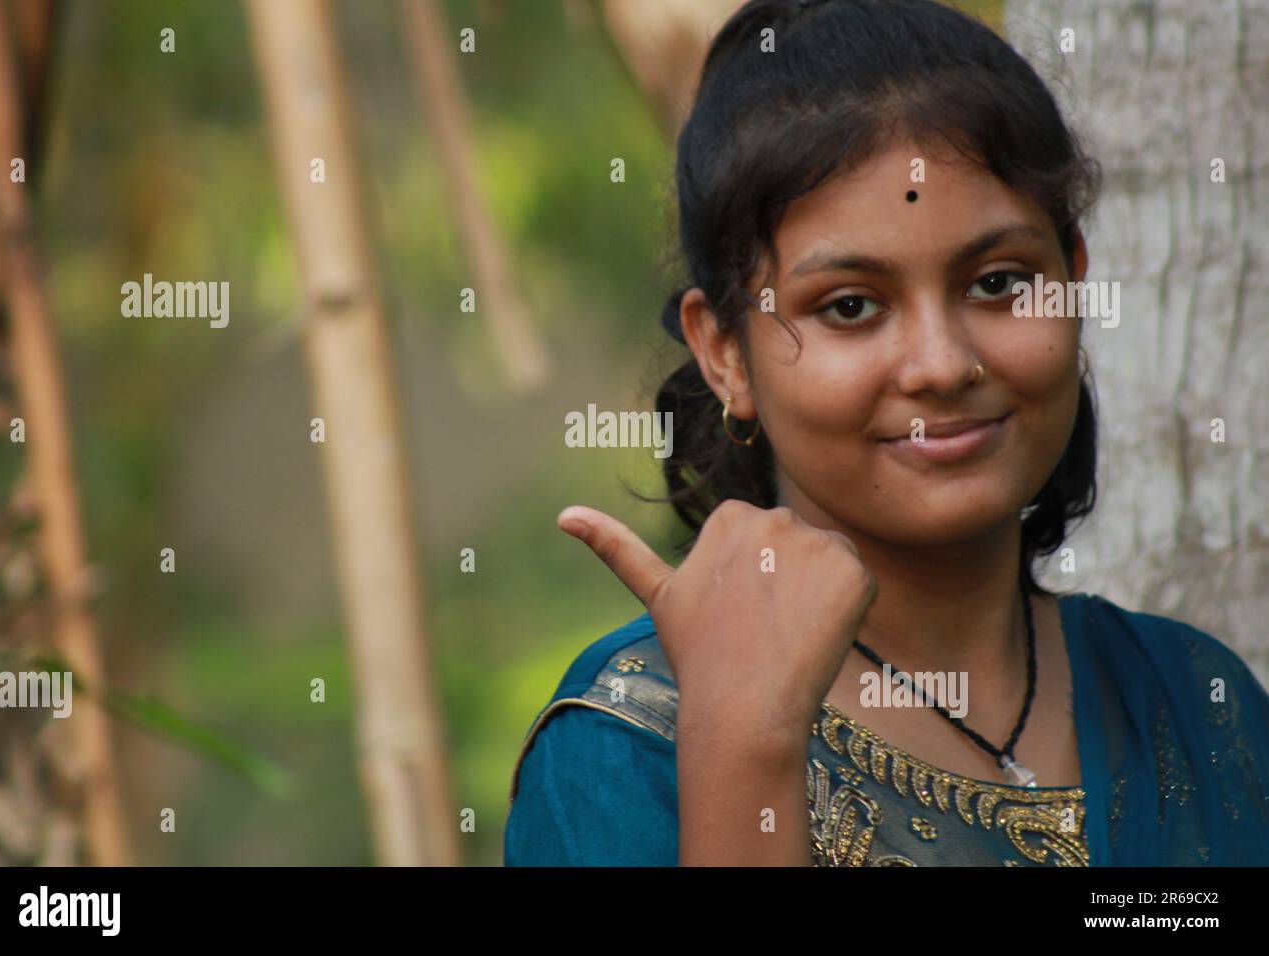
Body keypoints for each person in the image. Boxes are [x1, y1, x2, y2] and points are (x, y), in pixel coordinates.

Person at [504, 0, 1269, 866]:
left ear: (1073, 282)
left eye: (998, 283)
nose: (942, 365)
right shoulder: (630, 743)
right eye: (851, 307)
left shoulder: (1201, 706)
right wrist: (745, 743)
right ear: (724, 352)